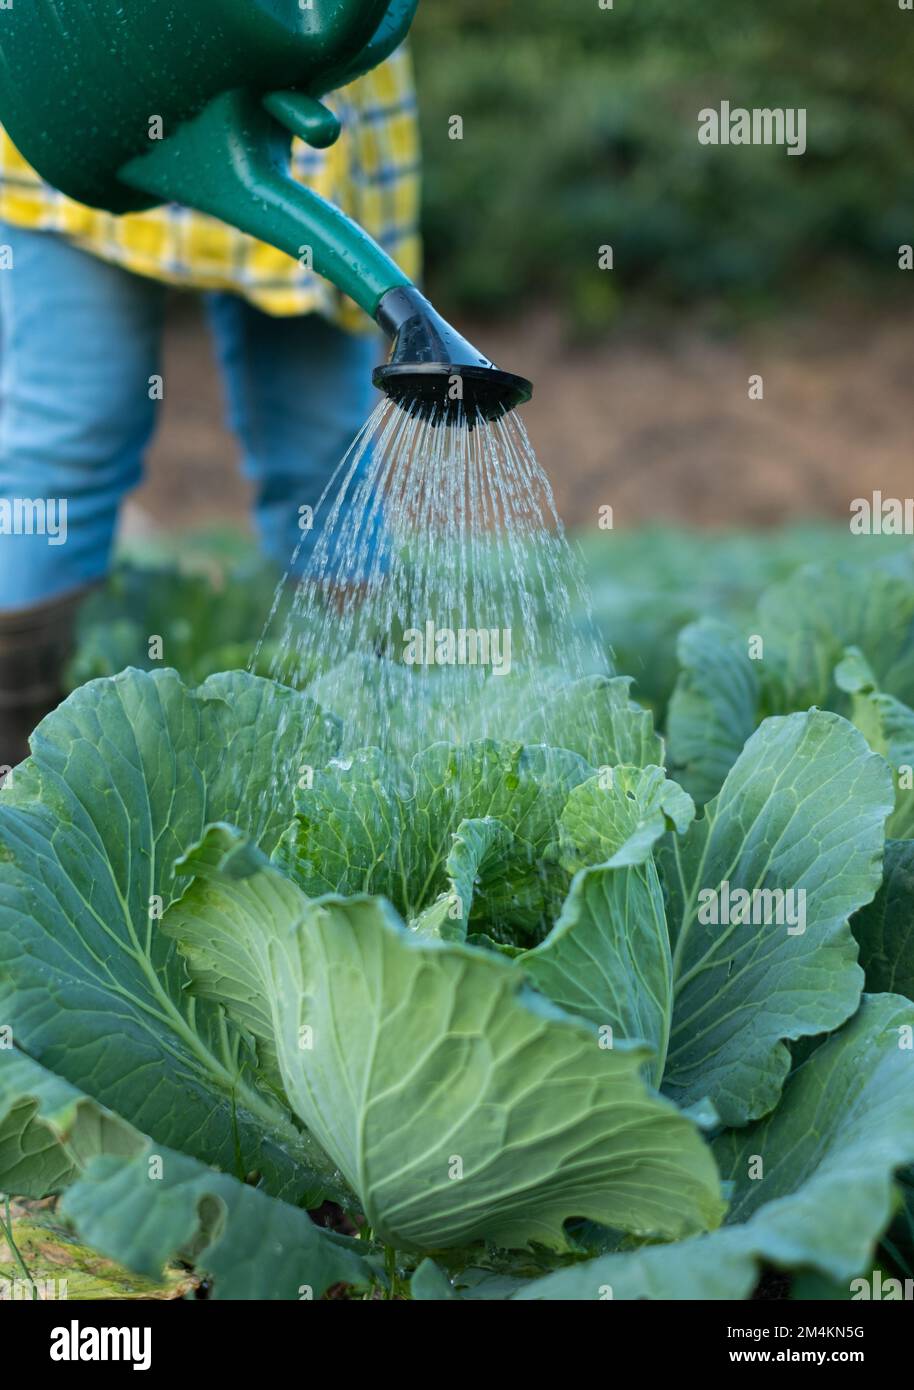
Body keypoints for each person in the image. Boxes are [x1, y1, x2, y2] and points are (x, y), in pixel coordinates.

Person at [0, 46, 420, 771]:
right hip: (81, 73)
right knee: (64, 439)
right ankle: (21, 777)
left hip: (301, 67)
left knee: (326, 454)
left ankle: (360, 773)